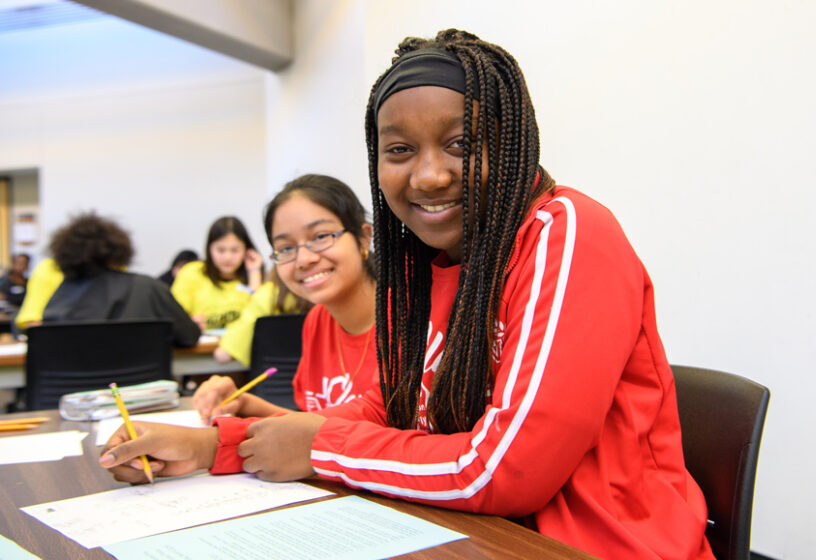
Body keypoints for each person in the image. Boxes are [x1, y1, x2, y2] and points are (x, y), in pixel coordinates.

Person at [100, 30, 713, 559]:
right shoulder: (424, 266)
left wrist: (319, 447)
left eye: (461, 143)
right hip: (469, 537)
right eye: (400, 150)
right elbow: (387, 409)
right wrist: (215, 445)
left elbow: (505, 471)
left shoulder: (566, 232)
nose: (428, 175)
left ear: (511, 143)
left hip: (595, 546)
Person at [195, 173, 375, 419]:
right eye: (286, 248)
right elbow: (315, 427)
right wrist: (244, 404)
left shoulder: (410, 322)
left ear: (363, 238)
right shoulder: (317, 321)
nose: (303, 259)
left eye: (321, 236)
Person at [40, 212, 200, 347]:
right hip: (141, 374)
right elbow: (189, 337)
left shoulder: (60, 298)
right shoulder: (149, 288)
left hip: (79, 376)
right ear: (118, 249)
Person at [171, 217, 263, 332]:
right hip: (201, 342)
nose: (227, 257)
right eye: (221, 250)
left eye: (235, 250)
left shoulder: (254, 275)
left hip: (241, 342)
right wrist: (188, 324)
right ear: (209, 249)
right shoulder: (192, 272)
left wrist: (254, 272)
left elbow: (258, 316)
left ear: (246, 250)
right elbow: (173, 316)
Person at [211, 267, 311, 367]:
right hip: (313, 374)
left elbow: (222, 356)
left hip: (270, 374)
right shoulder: (316, 297)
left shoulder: (267, 294)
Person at [12, 257, 63, 332]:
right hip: (52, 328)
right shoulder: (48, 268)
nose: (20, 266)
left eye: (24, 263)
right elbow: (32, 319)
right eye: (18, 263)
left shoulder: (46, 268)